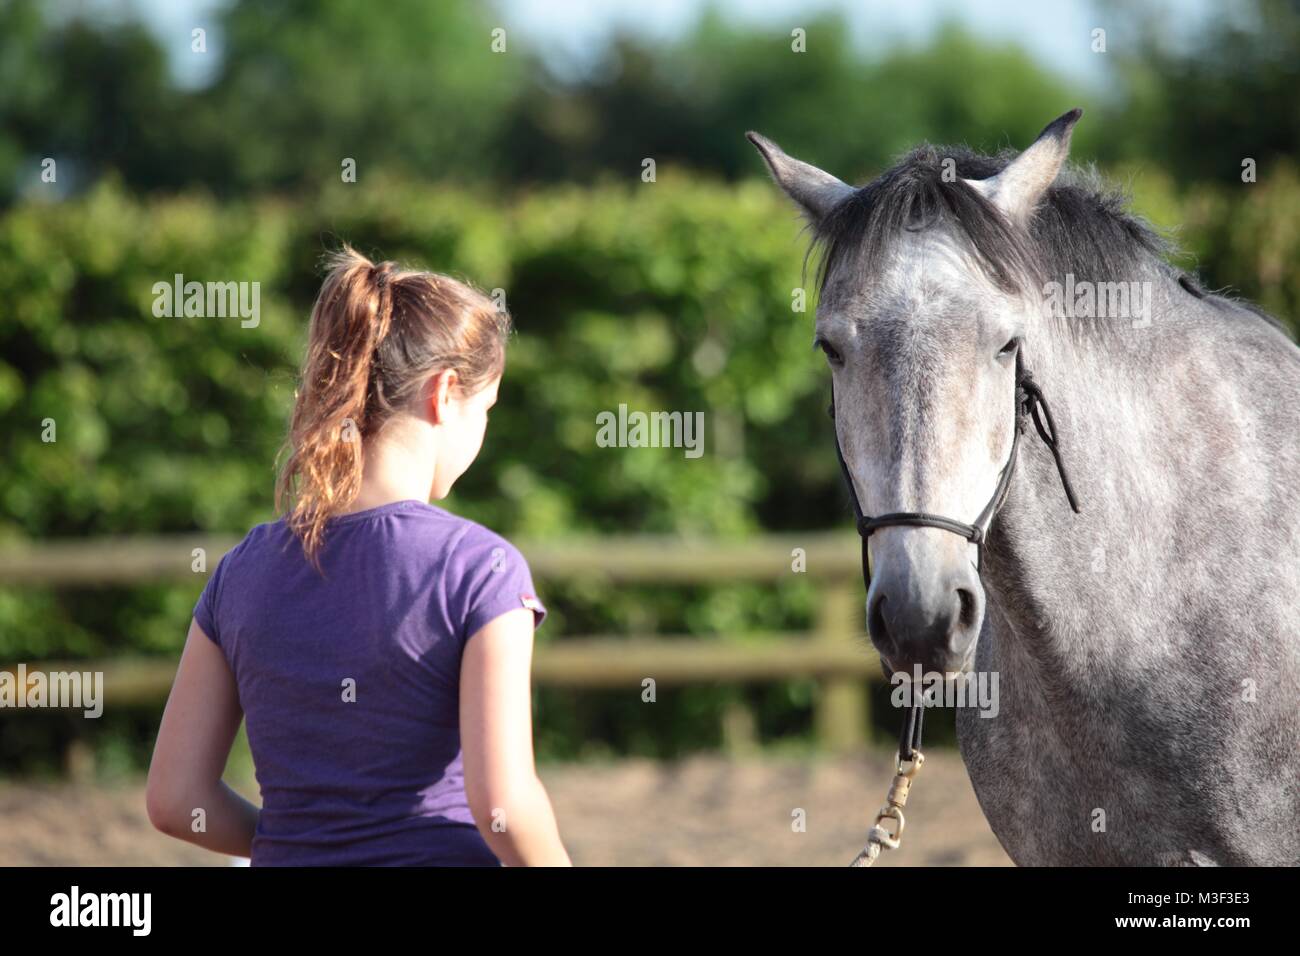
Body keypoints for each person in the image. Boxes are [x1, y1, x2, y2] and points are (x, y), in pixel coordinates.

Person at [146, 246, 570, 866]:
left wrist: (305, 844)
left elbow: (175, 799)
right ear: (446, 393)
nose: (484, 432)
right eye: (486, 409)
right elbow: (503, 804)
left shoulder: (242, 570)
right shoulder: (482, 570)